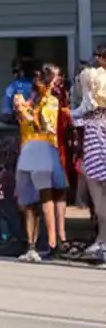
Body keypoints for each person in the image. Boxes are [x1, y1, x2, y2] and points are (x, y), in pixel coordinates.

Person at [13, 63, 68, 262]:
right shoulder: (50, 102)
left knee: (30, 201)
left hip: (28, 151)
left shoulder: (25, 103)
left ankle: (34, 245)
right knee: (46, 198)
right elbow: (46, 125)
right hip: (44, 149)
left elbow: (28, 120)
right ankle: (52, 244)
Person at [71, 66, 106, 261]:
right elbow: (73, 117)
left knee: (103, 208)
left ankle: (103, 241)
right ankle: (101, 240)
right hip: (93, 163)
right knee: (100, 208)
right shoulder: (84, 114)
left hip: (99, 162)